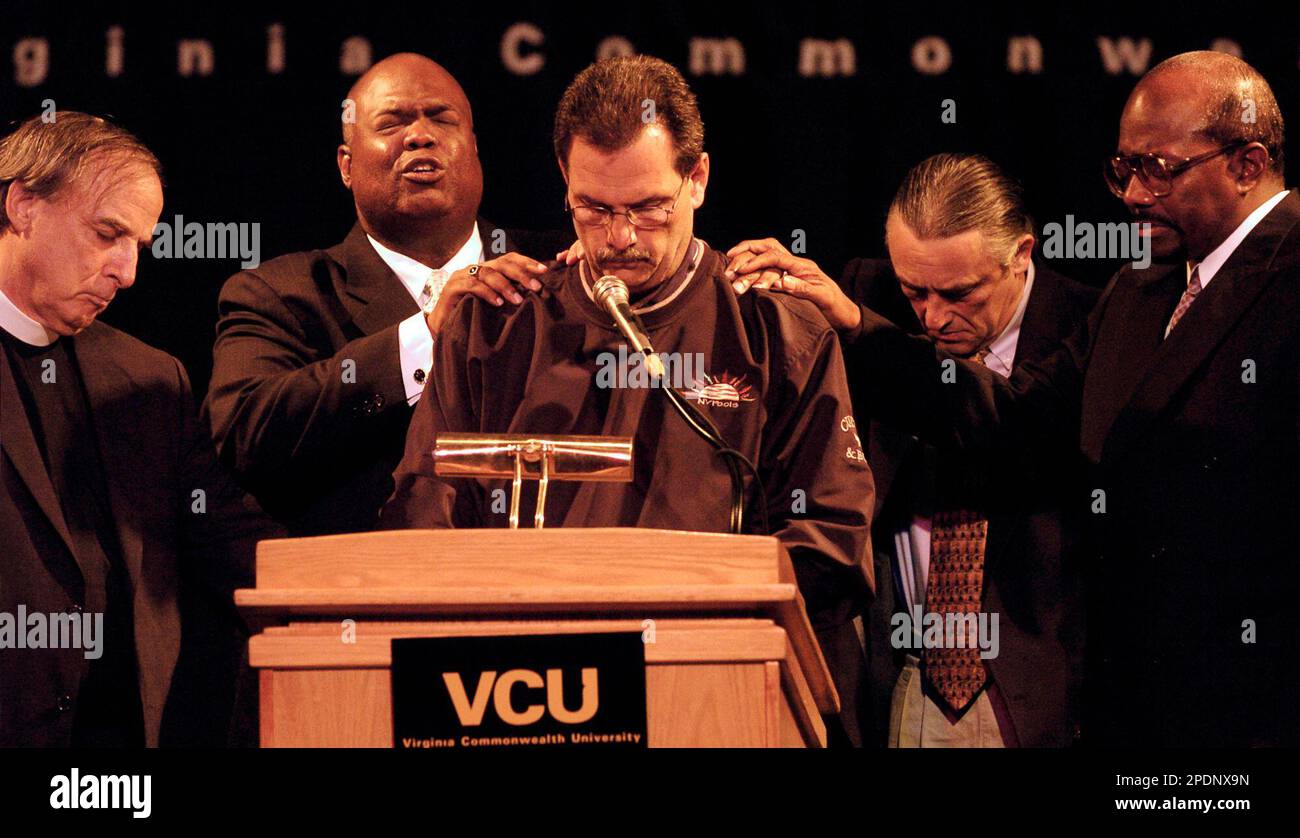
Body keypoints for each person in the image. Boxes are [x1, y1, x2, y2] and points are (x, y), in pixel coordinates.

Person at [725, 51, 1299, 747]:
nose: (1134, 196)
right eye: (1124, 170)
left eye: (1160, 170)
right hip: (1143, 705)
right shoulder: (1141, 292)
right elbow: (1014, 419)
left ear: (1247, 163)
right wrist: (855, 326)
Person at [381, 55, 875, 746]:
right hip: (523, 699)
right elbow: (423, 511)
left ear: (696, 179)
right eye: (594, 209)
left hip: (711, 695)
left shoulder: (776, 328)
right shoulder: (498, 324)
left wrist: (692, 612)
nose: (620, 239)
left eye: (648, 209)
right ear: (564, 182)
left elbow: (832, 539)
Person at [735, 153, 1095, 747]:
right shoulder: (862, 292)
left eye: (960, 293)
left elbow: (984, 417)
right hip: (893, 686)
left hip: (1038, 694)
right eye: (914, 291)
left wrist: (861, 325)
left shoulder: (1088, 323)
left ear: (1022, 255)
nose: (933, 316)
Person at [0, 112, 280, 747]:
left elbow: (232, 544)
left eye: (139, 245)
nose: (127, 274)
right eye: (107, 234)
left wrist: (363, 597)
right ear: (22, 206)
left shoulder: (150, 378)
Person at [204, 53, 568, 536]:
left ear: (475, 148)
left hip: (554, 585)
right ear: (347, 166)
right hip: (361, 593)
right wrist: (424, 336)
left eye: (442, 118)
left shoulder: (561, 272)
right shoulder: (279, 293)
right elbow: (245, 435)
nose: (420, 135)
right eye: (392, 123)